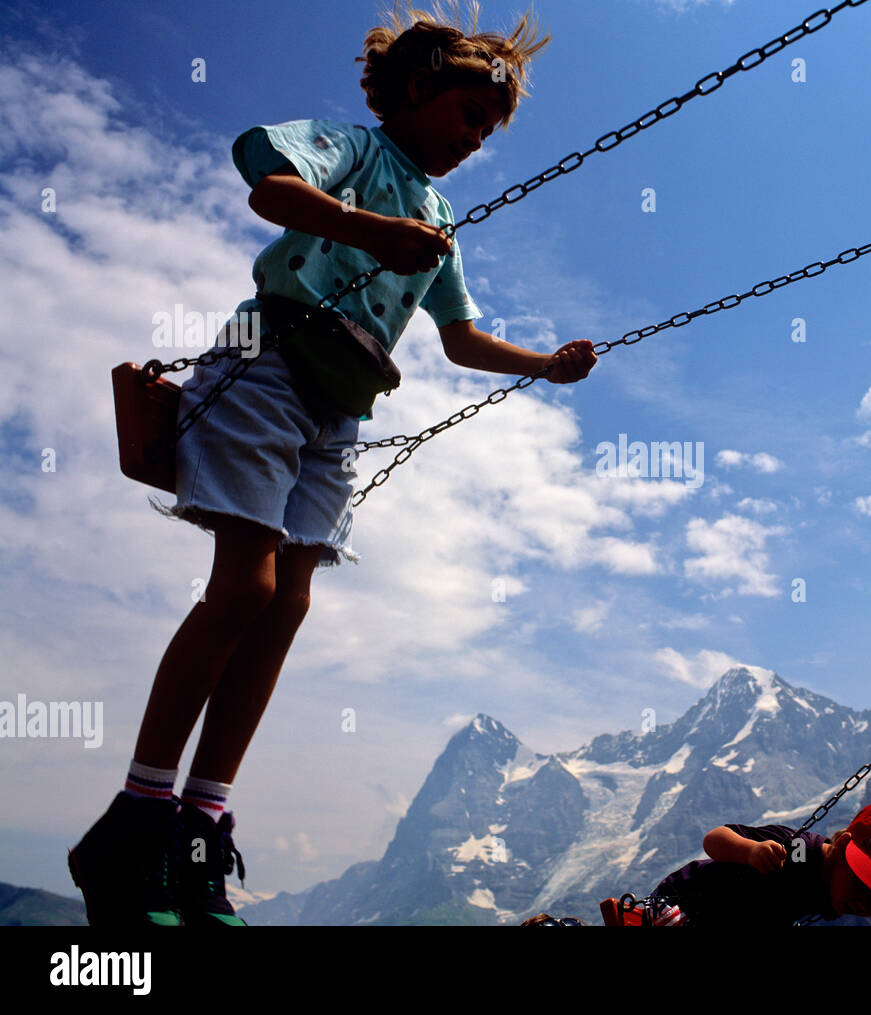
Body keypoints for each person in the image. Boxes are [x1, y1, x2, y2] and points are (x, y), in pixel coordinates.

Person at [68, 1, 593, 927]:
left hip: (340, 409)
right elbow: (265, 176)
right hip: (269, 364)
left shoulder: (438, 215)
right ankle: (135, 820)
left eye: (489, 129)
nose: (477, 140)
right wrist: (367, 230)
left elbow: (460, 337)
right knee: (243, 589)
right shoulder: (354, 150)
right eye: (470, 115)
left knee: (288, 605)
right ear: (420, 91)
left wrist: (545, 363)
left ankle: (201, 825)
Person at [646, 802, 871, 927]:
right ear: (843, 848)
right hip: (681, 901)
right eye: (863, 883)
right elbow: (714, 839)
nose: (865, 904)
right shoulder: (795, 851)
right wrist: (751, 851)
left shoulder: (832, 894)